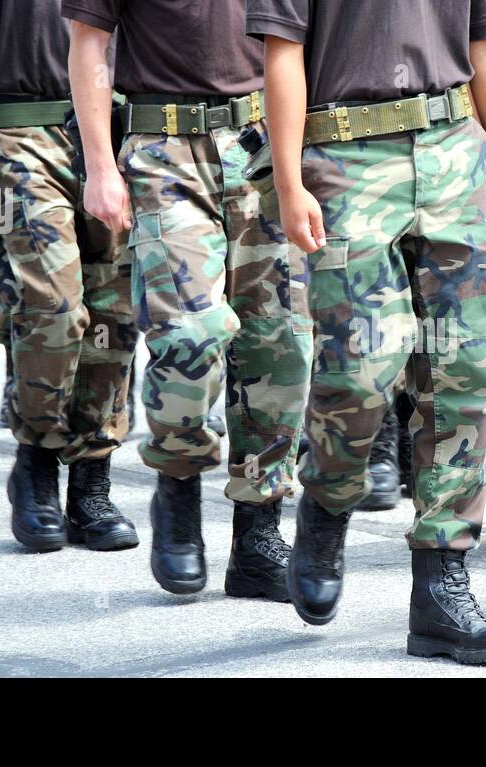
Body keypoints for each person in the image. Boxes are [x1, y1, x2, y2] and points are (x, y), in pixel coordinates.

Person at [250, 0, 486, 664]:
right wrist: (289, 182)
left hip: (452, 152)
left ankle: (442, 581)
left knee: (464, 371)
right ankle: (327, 499)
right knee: (361, 368)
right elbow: (282, 50)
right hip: (346, 160)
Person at [64, 0, 314, 599]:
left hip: (261, 143)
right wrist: (100, 164)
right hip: (164, 150)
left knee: (279, 343)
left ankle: (258, 532)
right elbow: (88, 42)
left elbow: (302, 41)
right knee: (187, 335)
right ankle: (178, 491)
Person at [0, 0, 140, 551]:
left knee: (114, 313)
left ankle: (91, 481)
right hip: (18, 135)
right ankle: (37, 463)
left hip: (118, 132)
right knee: (51, 307)